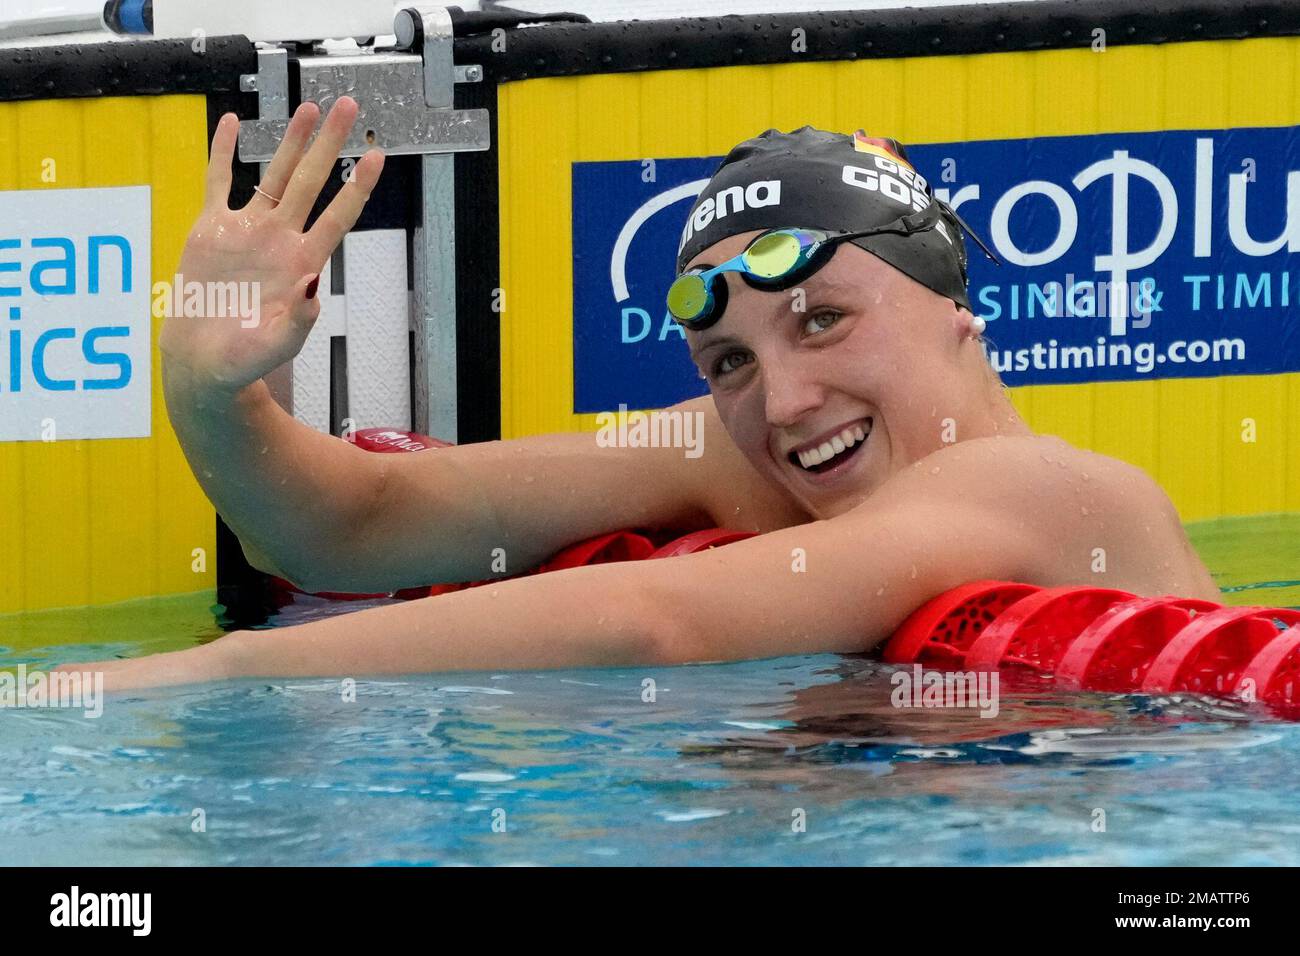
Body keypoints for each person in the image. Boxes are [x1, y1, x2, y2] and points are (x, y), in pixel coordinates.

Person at [64, 96, 1220, 690]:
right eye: (731, 363)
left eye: (823, 318)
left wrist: (188, 679)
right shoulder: (750, 472)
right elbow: (354, 524)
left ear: (954, 307)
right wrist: (210, 391)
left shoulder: (1048, 489)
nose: (785, 400)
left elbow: (653, 621)